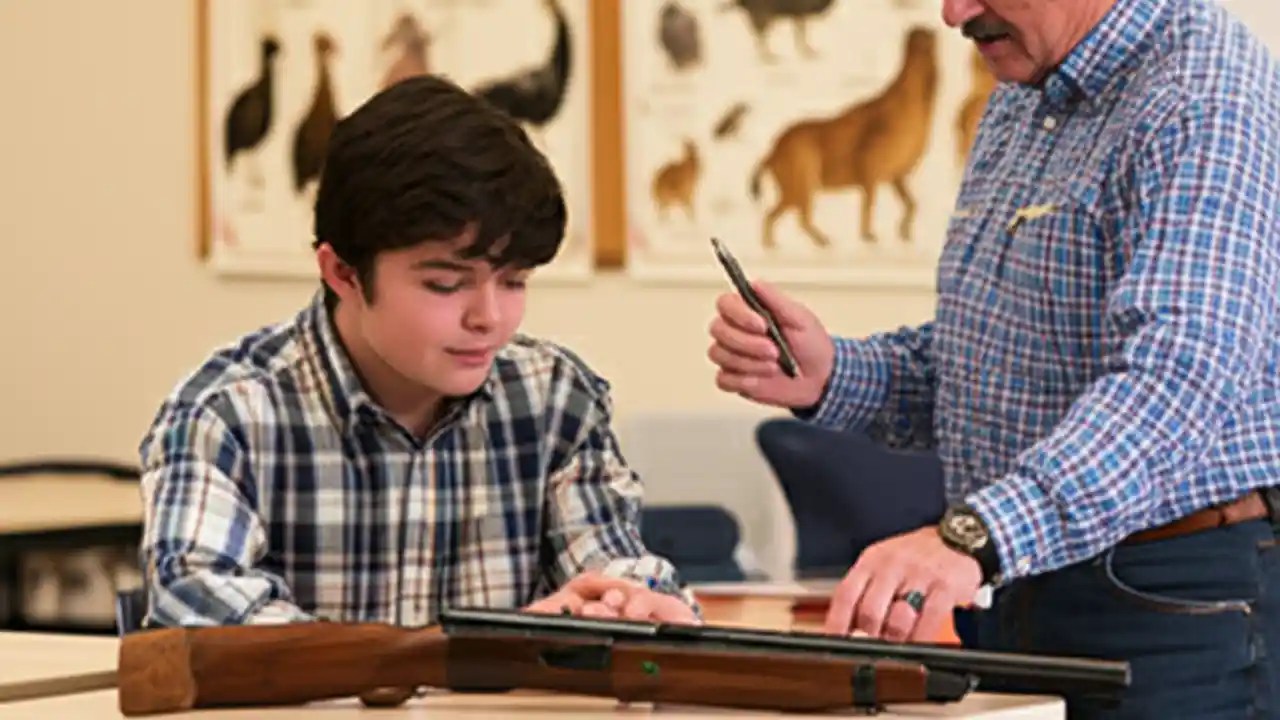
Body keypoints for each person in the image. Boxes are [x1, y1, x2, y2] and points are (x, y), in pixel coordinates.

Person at [708, 0, 1279, 716]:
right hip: (1018, 586)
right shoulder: (1020, 94)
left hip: (1168, 605)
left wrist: (972, 537)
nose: (955, 13)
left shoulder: (1204, 95)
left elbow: (1176, 381)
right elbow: (997, 368)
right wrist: (835, 374)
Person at [138, 75, 698, 629]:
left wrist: (631, 603)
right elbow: (198, 608)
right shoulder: (228, 414)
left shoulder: (554, 400)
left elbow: (610, 563)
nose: (489, 318)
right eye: (445, 285)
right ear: (343, 272)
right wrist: (466, 655)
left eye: (514, 281)